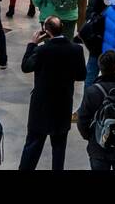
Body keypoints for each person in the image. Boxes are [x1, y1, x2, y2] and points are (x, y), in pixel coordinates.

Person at [17, 16, 86, 171]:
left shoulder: (41, 50)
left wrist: (32, 44)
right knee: (59, 147)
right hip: (63, 103)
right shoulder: (76, 49)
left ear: (46, 31)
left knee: (33, 145)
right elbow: (81, 75)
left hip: (41, 105)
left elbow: (26, 66)